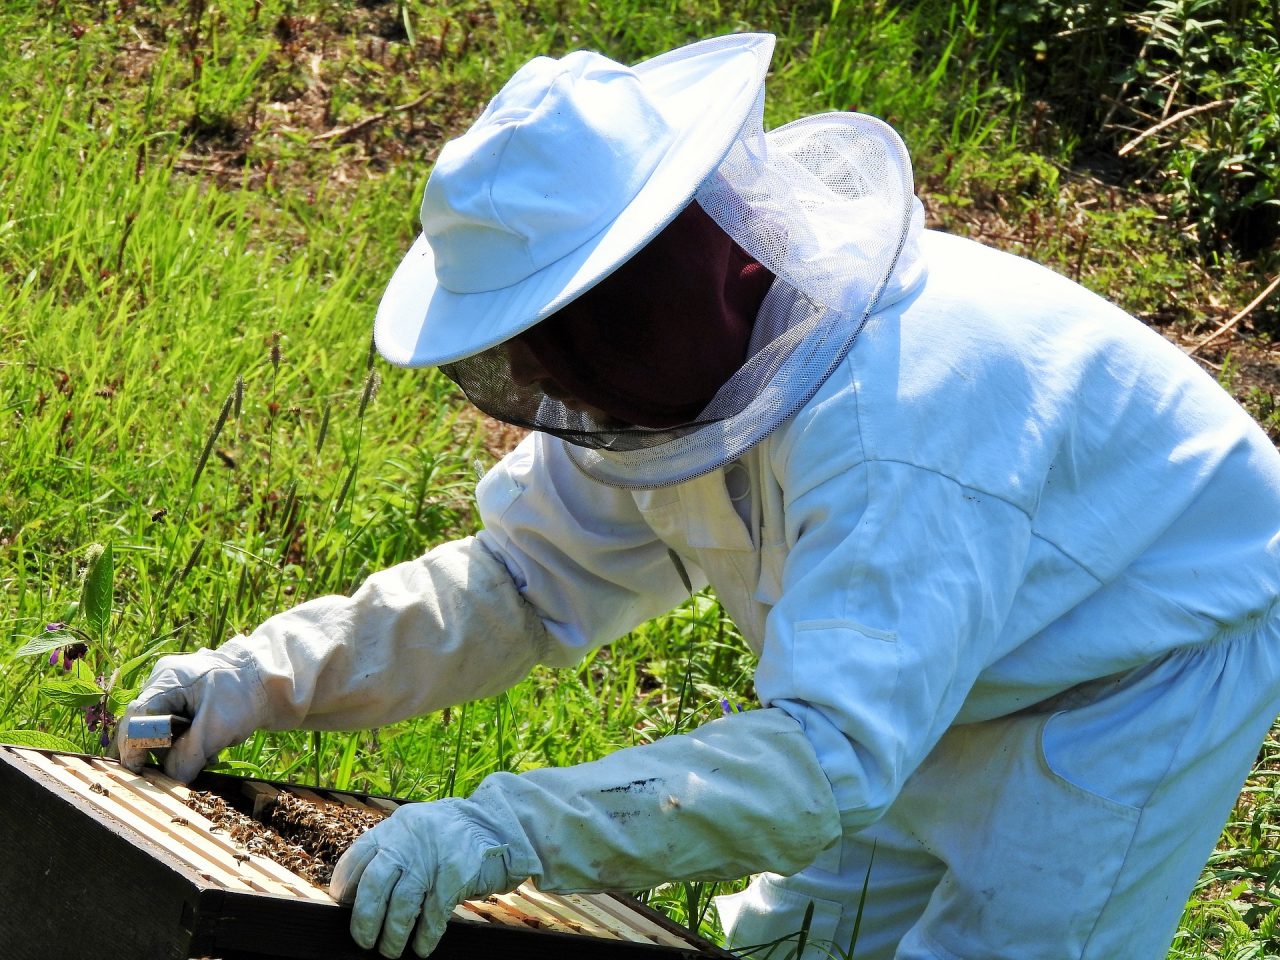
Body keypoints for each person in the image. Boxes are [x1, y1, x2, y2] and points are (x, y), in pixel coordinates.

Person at [119, 32, 1280, 960]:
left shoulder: (896, 420)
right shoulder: (663, 379)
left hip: (1132, 669)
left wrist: (507, 828)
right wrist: (255, 679)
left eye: (567, 339)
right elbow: (518, 584)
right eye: (529, 350)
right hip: (954, 659)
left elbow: (825, 761)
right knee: (786, 947)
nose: (548, 386)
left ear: (673, 276)